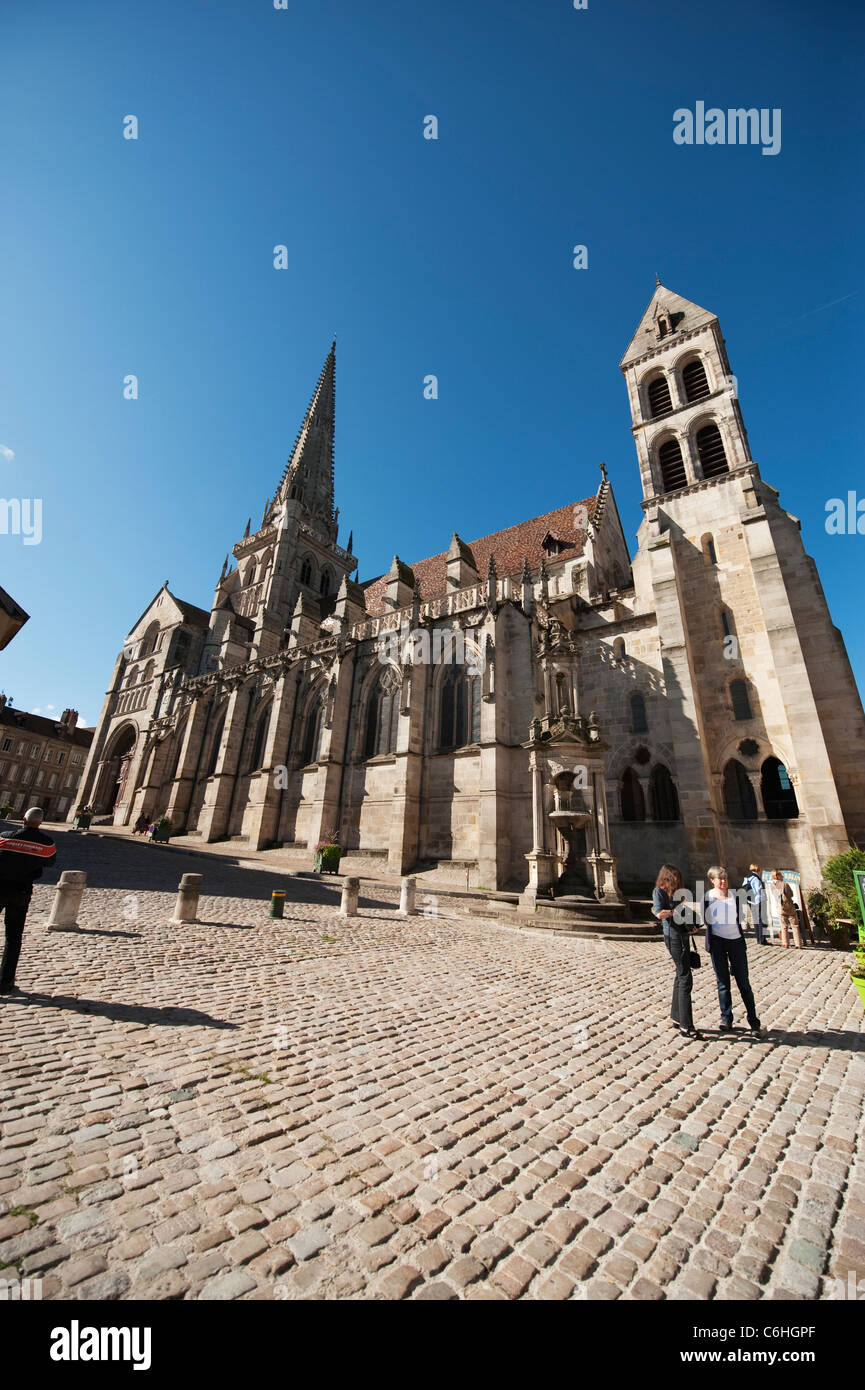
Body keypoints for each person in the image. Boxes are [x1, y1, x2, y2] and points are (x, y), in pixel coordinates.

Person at [0, 807, 57, 997]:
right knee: (13, 938)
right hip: (21, 891)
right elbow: (50, 862)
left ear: (23, 819)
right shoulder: (46, 843)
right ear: (39, 822)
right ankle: (5, 982)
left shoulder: (5, 837)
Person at [702, 866, 762, 1036]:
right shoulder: (707, 898)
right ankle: (726, 1018)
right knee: (723, 983)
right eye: (720, 878)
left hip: (736, 942)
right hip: (717, 944)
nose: (723, 881)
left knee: (744, 983)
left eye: (725, 878)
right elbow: (706, 920)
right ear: (712, 880)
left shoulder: (735, 896)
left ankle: (753, 1020)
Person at [653, 863, 703, 1039]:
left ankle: (676, 1017)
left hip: (682, 935)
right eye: (675, 878)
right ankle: (686, 1025)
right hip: (673, 938)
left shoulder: (675, 893)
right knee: (685, 978)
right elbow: (658, 913)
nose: (678, 882)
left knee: (680, 975)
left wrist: (691, 924)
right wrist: (676, 912)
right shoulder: (659, 892)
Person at [768, 869, 802, 948]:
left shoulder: (772, 885)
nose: (782, 876)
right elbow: (791, 894)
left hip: (780, 908)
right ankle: (798, 944)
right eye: (781, 875)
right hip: (789, 907)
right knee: (795, 925)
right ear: (778, 876)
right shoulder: (785, 884)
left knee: (783, 926)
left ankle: (785, 943)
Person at [742, 863, 768, 945]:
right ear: (757, 869)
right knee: (761, 920)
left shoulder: (747, 878)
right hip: (758, 901)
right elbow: (758, 890)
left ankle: (758, 939)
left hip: (750, 901)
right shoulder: (756, 878)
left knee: (756, 920)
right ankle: (762, 939)